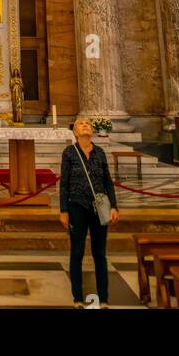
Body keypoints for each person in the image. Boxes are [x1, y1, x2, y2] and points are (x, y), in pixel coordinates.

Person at [59, 114, 119, 308]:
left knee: (99, 253)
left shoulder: (100, 153)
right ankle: (77, 296)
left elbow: (108, 181)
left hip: (99, 207)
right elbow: (64, 184)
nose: (85, 126)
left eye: (88, 124)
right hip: (77, 206)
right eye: (81, 124)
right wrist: (63, 210)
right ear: (75, 132)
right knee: (76, 252)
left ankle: (104, 298)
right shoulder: (69, 152)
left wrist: (114, 206)